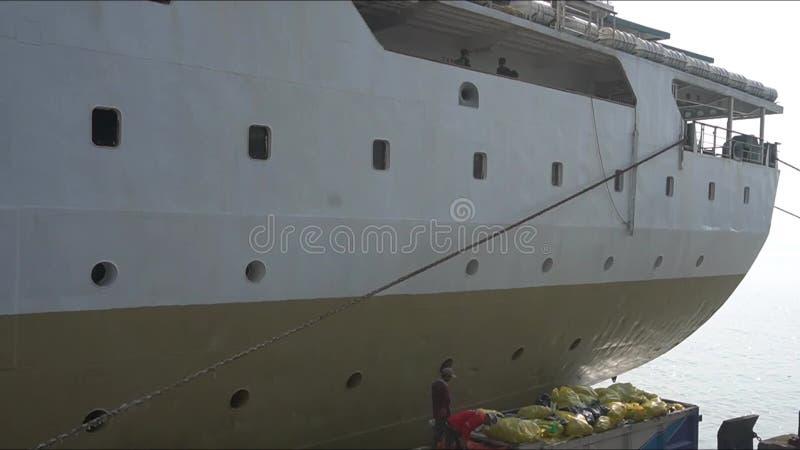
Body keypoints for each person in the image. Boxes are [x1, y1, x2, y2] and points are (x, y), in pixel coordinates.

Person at [431, 367, 456, 448]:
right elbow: (447, 399)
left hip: (436, 412)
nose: (450, 379)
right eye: (450, 377)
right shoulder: (444, 386)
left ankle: (437, 445)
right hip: (444, 413)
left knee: (438, 431)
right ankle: (448, 446)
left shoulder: (434, 384)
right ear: (447, 377)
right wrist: (445, 409)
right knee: (448, 430)